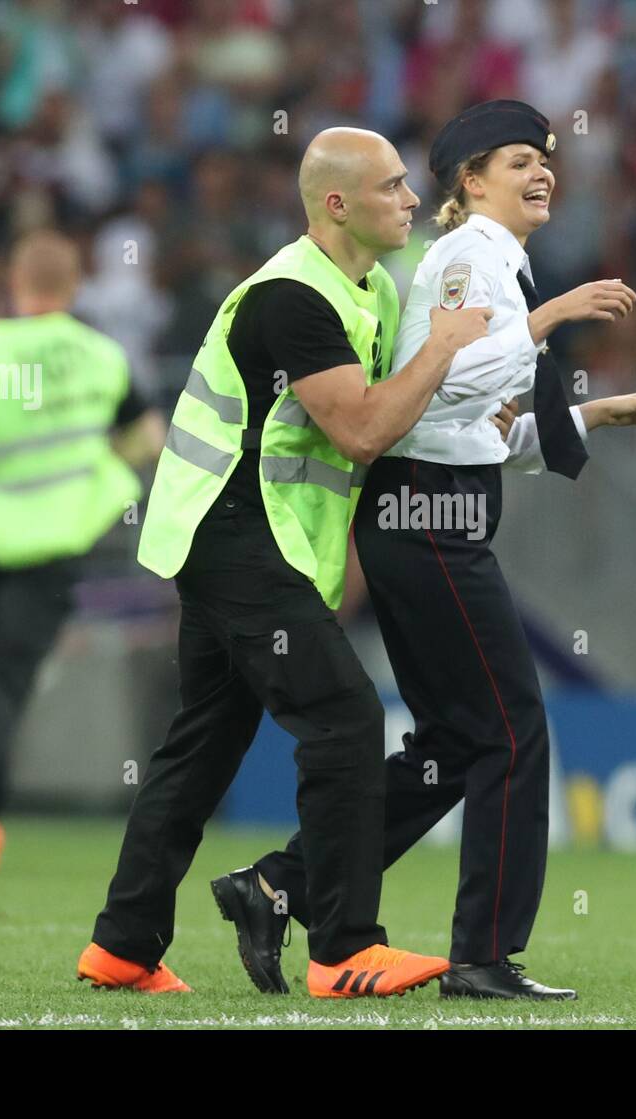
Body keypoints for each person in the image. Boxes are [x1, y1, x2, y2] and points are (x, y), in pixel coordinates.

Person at [213, 100, 636, 1001]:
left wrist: (596, 415)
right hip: (428, 518)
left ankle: (283, 884)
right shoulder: (473, 260)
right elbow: (440, 375)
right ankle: (483, 956)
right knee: (512, 729)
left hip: (434, 504)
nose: (542, 171)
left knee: (456, 742)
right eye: (517, 160)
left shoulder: (489, 263)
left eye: (546, 159)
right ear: (469, 181)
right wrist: (548, 323)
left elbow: (469, 427)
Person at [79, 127, 494, 996]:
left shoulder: (371, 286)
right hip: (232, 531)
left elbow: (377, 416)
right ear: (337, 203)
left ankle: (121, 944)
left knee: (203, 743)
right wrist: (444, 344)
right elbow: (362, 428)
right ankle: (344, 948)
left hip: (247, 533)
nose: (411, 200)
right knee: (343, 716)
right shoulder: (291, 298)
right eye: (391, 187)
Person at [0, 230, 167, 876]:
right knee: (5, 682)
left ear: (15, 283)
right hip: (53, 543)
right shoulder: (104, 356)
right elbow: (151, 438)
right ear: (74, 285)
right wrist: (96, 465)